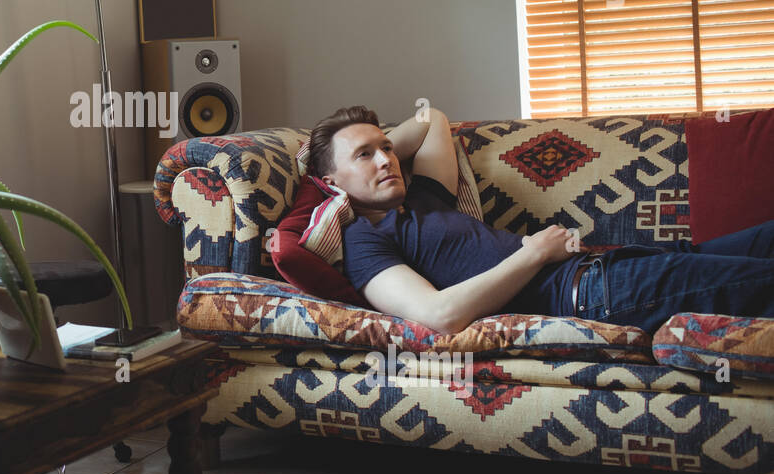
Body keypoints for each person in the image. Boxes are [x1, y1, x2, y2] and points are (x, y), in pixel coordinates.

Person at [306, 104, 774, 335]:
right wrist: (533, 255)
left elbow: (432, 119)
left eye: (387, 148)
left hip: (615, 263)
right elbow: (439, 315)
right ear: (331, 181)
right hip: (592, 294)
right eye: (364, 155)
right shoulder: (364, 240)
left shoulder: (424, 198)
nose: (386, 159)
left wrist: (372, 148)